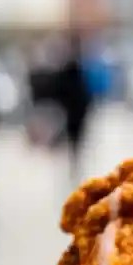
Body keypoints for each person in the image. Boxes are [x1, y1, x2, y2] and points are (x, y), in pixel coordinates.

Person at [29, 31, 95, 182]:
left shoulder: (68, 75)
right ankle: (73, 165)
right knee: (74, 144)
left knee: (74, 144)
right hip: (75, 115)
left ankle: (73, 166)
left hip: (73, 114)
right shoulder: (71, 75)